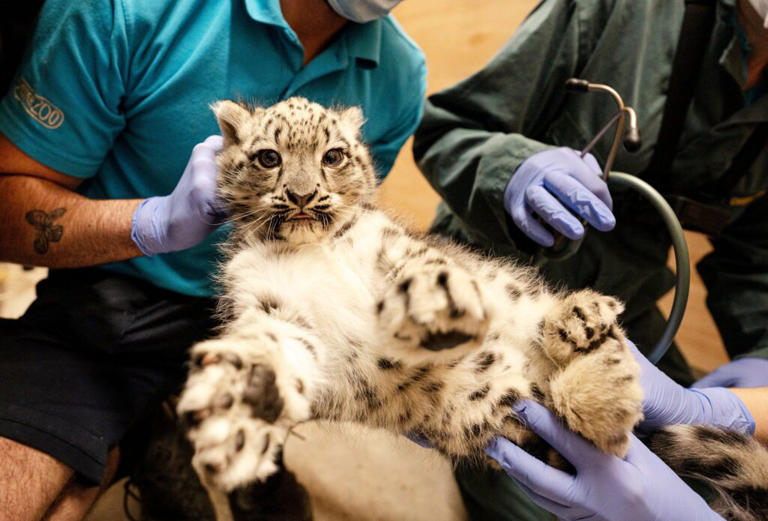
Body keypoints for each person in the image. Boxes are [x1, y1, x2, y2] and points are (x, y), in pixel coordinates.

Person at [0, 0, 426, 519]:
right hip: (115, 296)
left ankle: (179, 434)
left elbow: (356, 232)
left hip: (277, 302)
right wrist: (150, 223)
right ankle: (144, 431)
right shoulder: (121, 11)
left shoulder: (402, 75)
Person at [413, 0, 767, 519]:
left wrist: (762, 358)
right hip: (498, 294)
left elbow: (754, 253)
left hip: (624, 312)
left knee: (718, 482)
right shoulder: (619, 11)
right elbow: (447, 130)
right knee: (542, 489)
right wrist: (510, 172)